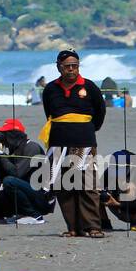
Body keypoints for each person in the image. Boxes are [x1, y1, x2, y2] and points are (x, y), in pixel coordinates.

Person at [41, 49, 107, 238]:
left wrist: (87, 130)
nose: (71, 70)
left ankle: (93, 226)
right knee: (64, 186)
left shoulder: (90, 87)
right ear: (59, 67)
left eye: (75, 66)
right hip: (59, 142)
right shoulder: (51, 89)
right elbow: (49, 113)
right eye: (67, 66)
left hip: (84, 141)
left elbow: (100, 112)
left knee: (88, 184)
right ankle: (73, 227)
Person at [0, 119, 52, 224]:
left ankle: (35, 215)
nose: (3, 140)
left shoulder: (32, 147)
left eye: (5, 136)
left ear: (13, 135)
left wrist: (0, 154)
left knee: (9, 181)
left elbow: (16, 174)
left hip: (41, 198)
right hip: (24, 194)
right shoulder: (13, 151)